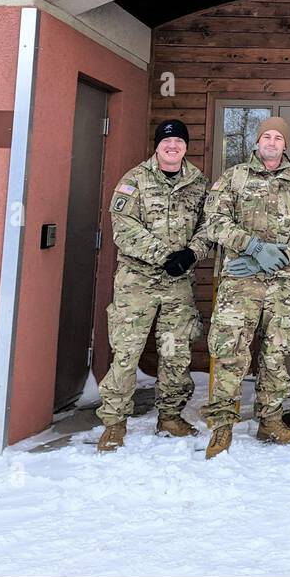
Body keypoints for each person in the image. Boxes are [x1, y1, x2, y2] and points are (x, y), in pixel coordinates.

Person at [200, 117, 290, 458]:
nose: (271, 142)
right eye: (266, 136)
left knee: (276, 354)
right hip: (240, 282)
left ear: (285, 145)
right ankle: (222, 426)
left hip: (281, 284)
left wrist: (282, 256)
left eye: (278, 138)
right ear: (257, 143)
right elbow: (215, 223)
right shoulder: (234, 177)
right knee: (231, 352)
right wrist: (254, 250)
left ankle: (270, 420)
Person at [96, 119, 212, 452]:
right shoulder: (134, 181)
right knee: (126, 353)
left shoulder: (199, 184)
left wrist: (192, 253)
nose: (172, 146)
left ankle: (171, 416)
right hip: (137, 283)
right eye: (166, 141)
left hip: (178, 285)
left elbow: (211, 226)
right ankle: (115, 422)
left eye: (178, 141)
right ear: (157, 146)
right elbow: (123, 228)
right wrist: (164, 255)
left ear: (186, 147)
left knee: (176, 352)